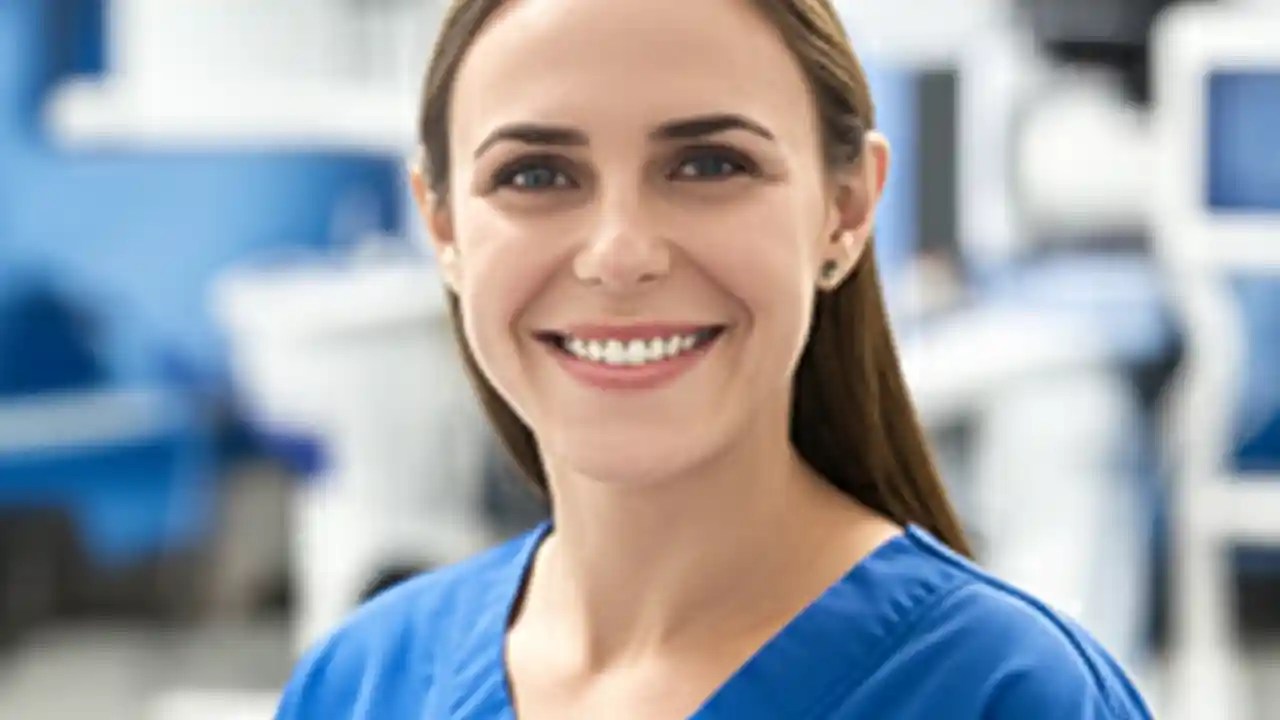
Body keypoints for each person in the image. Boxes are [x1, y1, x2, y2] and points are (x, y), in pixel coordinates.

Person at [275, 0, 1154, 717]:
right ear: (443, 228)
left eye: (706, 164)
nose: (619, 254)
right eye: (537, 175)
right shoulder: (364, 683)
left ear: (845, 210)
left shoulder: (1006, 695)